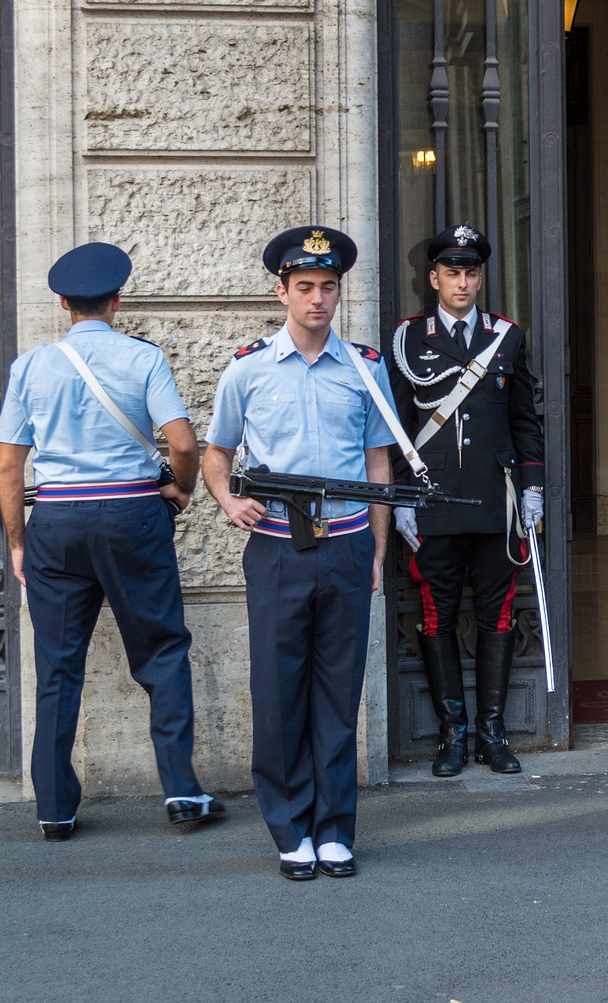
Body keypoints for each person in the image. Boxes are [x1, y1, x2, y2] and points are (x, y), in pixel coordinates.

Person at [0, 242, 219, 841]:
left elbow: (10, 469)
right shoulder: (144, 359)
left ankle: (56, 810)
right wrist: (182, 490)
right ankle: (181, 793)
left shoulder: (31, 367)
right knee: (163, 653)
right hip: (132, 516)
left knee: (59, 668)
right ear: (116, 300)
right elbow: (184, 443)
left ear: (63, 303)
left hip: (58, 525)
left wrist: (18, 542)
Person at [202, 226, 395, 881]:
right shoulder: (248, 367)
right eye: (305, 287)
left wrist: (377, 549)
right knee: (279, 692)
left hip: (344, 546)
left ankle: (336, 827)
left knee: (339, 694)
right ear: (281, 290)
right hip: (279, 551)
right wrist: (231, 502)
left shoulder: (366, 369)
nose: (318, 298)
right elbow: (216, 452)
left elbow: (377, 463)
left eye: (329, 286)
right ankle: (291, 827)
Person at [387, 224, 546, 778]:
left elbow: (525, 419)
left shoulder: (507, 336)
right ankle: (452, 733)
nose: (462, 281)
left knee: (497, 613)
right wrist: (402, 496)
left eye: (471, 272)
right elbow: (398, 426)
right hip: (432, 501)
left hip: (494, 502)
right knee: (437, 615)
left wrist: (532, 489)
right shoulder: (408, 338)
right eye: (452, 272)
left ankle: (492, 732)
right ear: (433, 278)